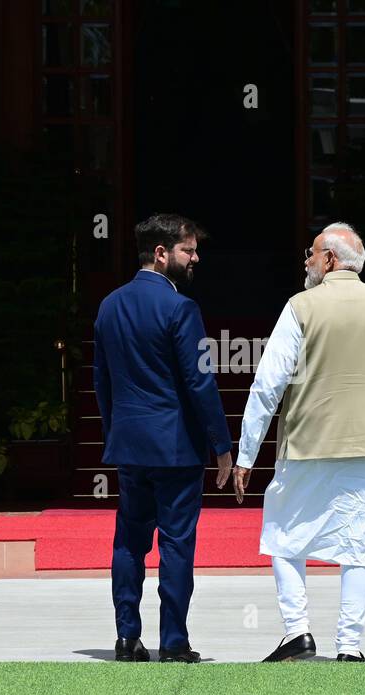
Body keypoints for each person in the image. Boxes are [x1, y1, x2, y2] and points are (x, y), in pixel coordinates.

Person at [234, 222, 365, 662]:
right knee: (362, 544)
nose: (306, 261)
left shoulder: (300, 306)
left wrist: (246, 454)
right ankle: (348, 646)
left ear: (330, 259)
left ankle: (297, 632)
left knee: (284, 534)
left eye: (311, 253)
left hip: (307, 446)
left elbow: (266, 386)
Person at [93, 214, 233, 663]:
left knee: (129, 541)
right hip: (175, 449)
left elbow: (102, 382)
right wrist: (222, 446)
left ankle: (126, 638)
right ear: (160, 253)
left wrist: (114, 432)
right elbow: (199, 382)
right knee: (176, 544)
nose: (195, 259)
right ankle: (173, 642)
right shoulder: (181, 309)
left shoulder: (109, 305)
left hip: (130, 445)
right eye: (188, 250)